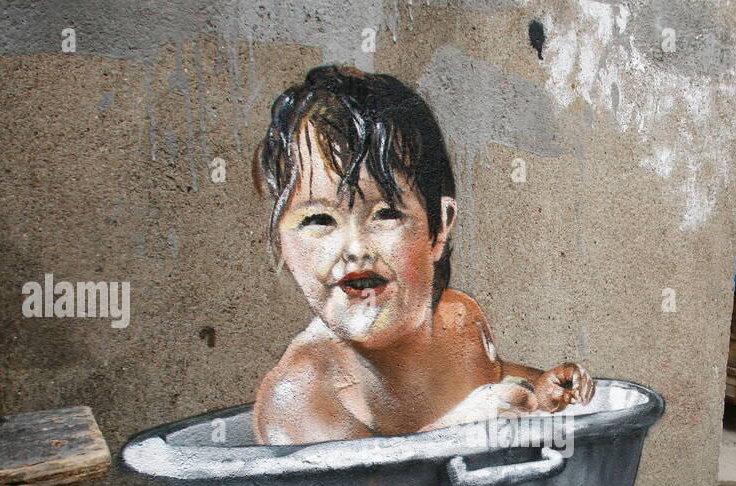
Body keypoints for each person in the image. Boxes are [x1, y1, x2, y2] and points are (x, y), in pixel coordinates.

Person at [252, 65, 594, 444]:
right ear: (282, 241)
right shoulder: (300, 391)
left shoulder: (460, 322)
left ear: (440, 227)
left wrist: (541, 390)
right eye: (319, 219)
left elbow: (495, 381)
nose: (355, 249)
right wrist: (461, 428)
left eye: (386, 214)